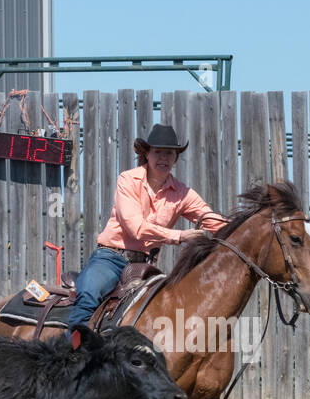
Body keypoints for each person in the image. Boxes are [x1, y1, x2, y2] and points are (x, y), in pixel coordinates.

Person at [66, 123, 227, 331]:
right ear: (147, 154)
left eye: (169, 153)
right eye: (158, 152)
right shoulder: (128, 180)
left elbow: (212, 219)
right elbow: (136, 228)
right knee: (89, 293)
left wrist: (246, 226)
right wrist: (180, 236)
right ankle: (71, 356)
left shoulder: (182, 193)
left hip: (145, 267)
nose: (164, 158)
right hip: (111, 258)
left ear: (176, 157)